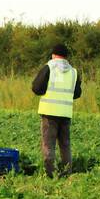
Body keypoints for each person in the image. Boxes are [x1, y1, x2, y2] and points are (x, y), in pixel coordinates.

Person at [31, 42, 82, 177]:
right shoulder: (73, 71)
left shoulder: (49, 67)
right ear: (66, 56)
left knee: (49, 145)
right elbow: (77, 93)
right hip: (65, 113)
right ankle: (67, 173)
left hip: (49, 112)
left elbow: (36, 88)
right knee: (65, 145)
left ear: (53, 54)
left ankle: (50, 174)